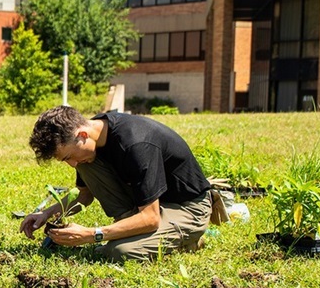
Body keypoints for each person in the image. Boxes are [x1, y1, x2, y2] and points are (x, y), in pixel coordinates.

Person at [19, 106, 212, 262]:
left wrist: (91, 234)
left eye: (69, 156)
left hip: (187, 208)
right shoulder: (96, 136)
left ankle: (188, 240)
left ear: (82, 135)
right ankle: (134, 229)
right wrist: (46, 214)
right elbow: (84, 195)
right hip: (148, 204)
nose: (72, 164)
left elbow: (151, 218)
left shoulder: (137, 145)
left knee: (118, 251)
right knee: (87, 164)